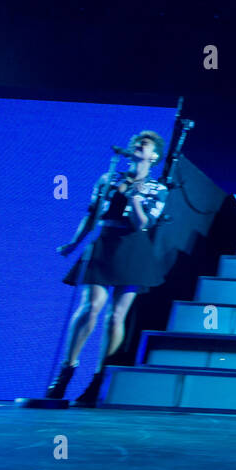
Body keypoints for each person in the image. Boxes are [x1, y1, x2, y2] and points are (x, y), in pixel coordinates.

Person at [45, 131, 169, 406]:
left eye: (145, 144)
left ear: (154, 156)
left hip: (133, 249)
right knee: (92, 307)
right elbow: (92, 214)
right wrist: (73, 243)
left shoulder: (158, 188)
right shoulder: (109, 178)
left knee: (116, 316)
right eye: (137, 142)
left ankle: (99, 378)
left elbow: (143, 224)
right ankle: (67, 370)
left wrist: (135, 198)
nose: (138, 146)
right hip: (104, 243)